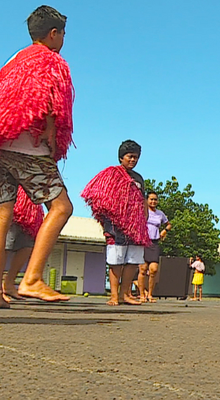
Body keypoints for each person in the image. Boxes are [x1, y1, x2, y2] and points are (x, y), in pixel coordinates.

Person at [0, 5, 74, 307]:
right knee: (60, 207)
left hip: (2, 142)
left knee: (3, 212)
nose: (63, 40)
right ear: (53, 34)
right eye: (63, 34)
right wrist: (52, 129)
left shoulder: (14, 60)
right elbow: (52, 95)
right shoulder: (51, 60)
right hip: (28, 144)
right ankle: (32, 278)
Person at [81, 140, 150, 306]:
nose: (133, 160)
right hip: (115, 225)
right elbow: (97, 195)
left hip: (135, 227)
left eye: (136, 157)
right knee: (116, 260)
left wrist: (144, 218)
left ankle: (125, 293)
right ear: (121, 157)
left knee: (133, 260)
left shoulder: (139, 178)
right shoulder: (111, 173)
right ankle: (113, 295)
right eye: (130, 156)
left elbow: (142, 200)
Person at [2, 188, 44, 302]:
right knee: (5, 244)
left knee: (27, 245)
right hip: (12, 201)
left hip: (31, 207)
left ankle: (9, 284)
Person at [139, 191, 172, 303]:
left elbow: (169, 224)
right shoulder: (143, 211)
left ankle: (150, 294)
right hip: (143, 240)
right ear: (147, 200)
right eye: (151, 199)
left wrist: (164, 231)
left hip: (154, 242)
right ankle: (141, 294)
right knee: (143, 269)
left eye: (155, 199)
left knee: (153, 269)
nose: (153, 201)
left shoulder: (160, 214)